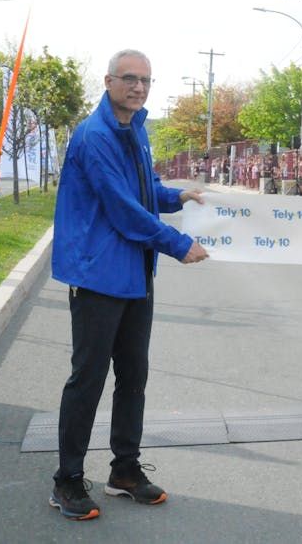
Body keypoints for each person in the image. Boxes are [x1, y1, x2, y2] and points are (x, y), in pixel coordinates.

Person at [49, 50, 210, 521]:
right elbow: (122, 208)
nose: (139, 87)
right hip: (99, 275)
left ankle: (124, 470)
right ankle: (66, 480)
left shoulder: (135, 128)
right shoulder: (95, 135)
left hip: (136, 275)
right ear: (108, 81)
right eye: (130, 79)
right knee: (88, 379)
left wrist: (177, 196)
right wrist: (178, 243)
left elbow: (143, 189)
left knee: (133, 376)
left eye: (146, 80)